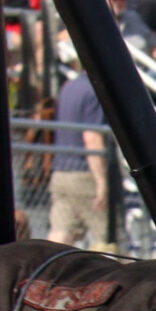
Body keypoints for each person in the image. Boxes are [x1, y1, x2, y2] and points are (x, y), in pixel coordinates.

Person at [47, 63, 110, 247]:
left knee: (60, 235)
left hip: (61, 172)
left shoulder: (69, 87)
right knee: (105, 237)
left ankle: (45, 272)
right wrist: (101, 182)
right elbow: (92, 137)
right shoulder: (94, 89)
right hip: (84, 174)